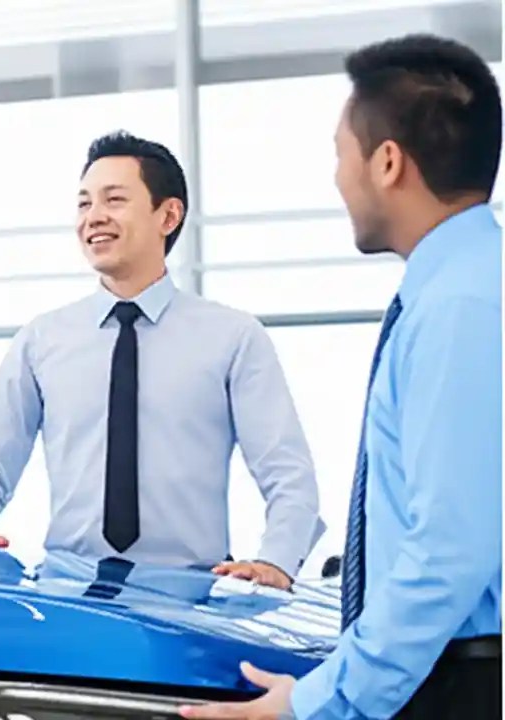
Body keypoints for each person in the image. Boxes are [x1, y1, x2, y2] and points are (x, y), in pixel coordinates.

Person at [182, 33, 502, 720]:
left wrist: (324, 702)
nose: (336, 176)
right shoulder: (458, 291)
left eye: (339, 152)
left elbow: (448, 549)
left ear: (387, 162)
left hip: (460, 685)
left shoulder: (464, 307)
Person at [0, 131, 324, 590]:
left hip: (190, 598)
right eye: (83, 204)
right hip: (67, 592)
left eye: (114, 200)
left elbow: (288, 473)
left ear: (168, 215)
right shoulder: (43, 339)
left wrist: (277, 562)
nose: (94, 217)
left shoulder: (233, 337)